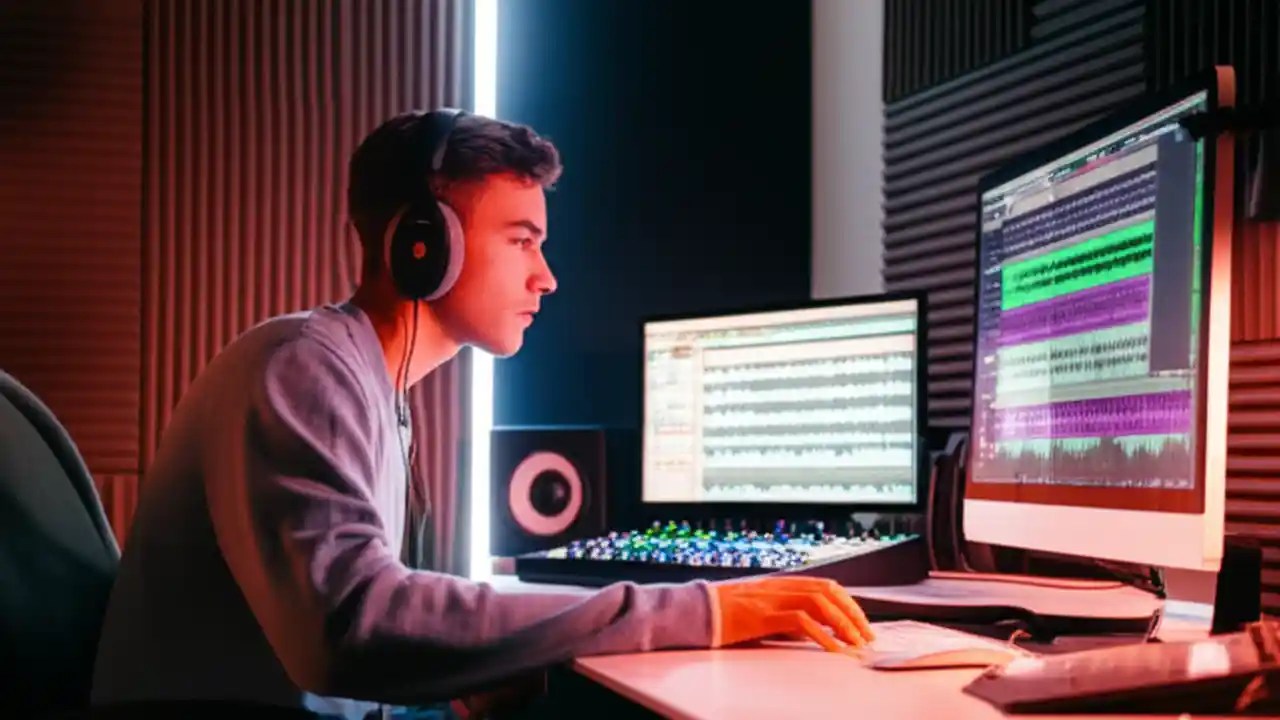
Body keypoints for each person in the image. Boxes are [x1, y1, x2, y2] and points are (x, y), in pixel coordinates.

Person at [90, 109, 874, 719]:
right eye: (522, 240)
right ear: (424, 244)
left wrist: (453, 692)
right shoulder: (304, 368)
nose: (547, 277)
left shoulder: (368, 386)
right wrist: (696, 610)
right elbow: (350, 628)